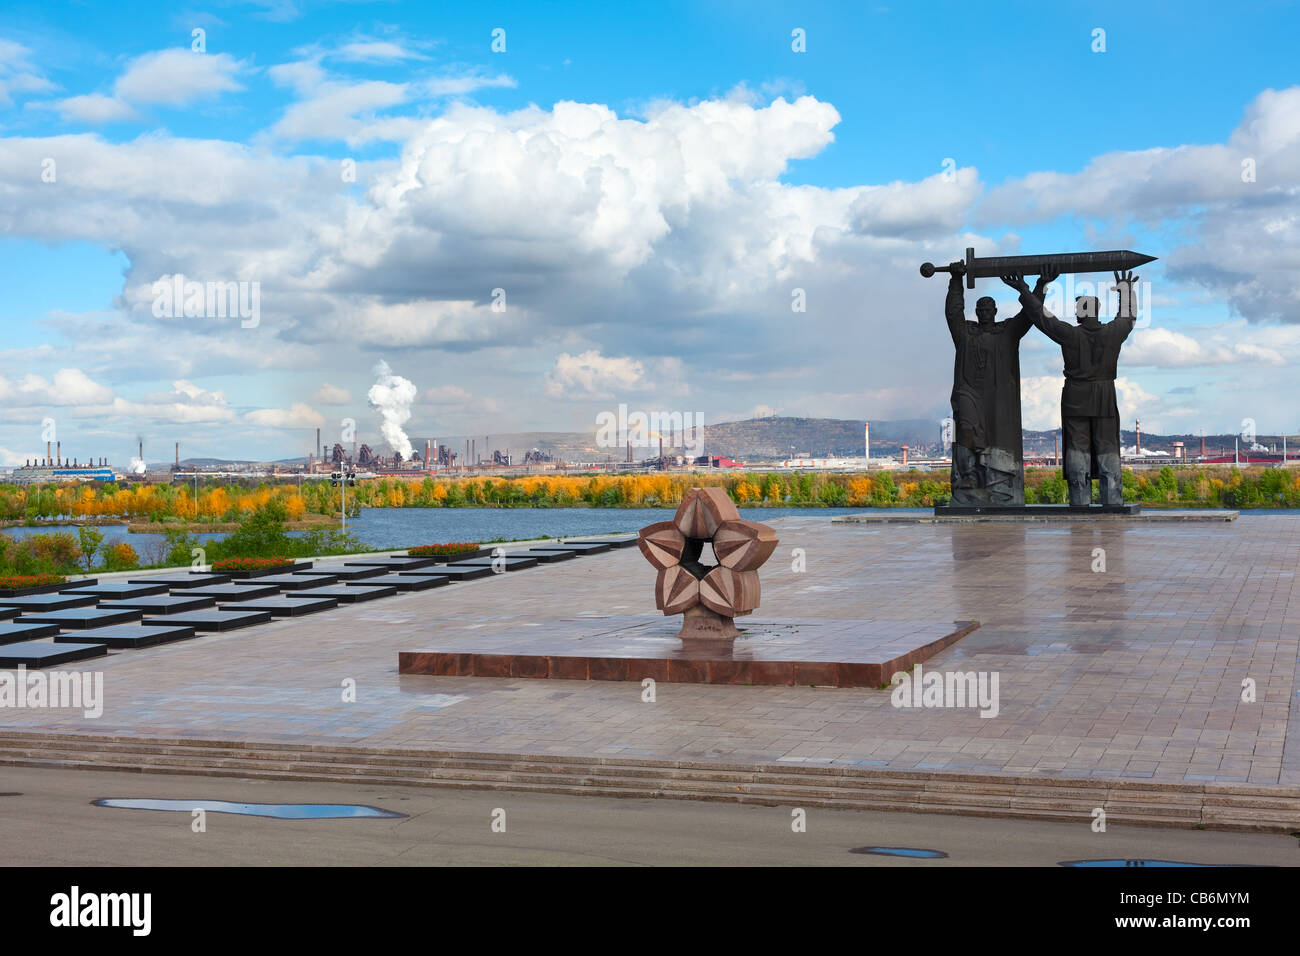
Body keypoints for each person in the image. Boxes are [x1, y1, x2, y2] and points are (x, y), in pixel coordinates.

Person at [1004, 269, 1139, 506]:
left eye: (1078, 309)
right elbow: (1128, 317)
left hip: (1076, 396)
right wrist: (1126, 290)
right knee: (1107, 447)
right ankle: (1112, 501)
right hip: (1104, 395)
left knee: (1077, 448)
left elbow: (1041, 317)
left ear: (1082, 312)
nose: (1076, 313)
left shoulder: (1070, 335)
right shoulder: (1112, 333)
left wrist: (1026, 289)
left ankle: (1080, 501)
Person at [944, 260, 1052, 506]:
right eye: (980, 310)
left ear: (994, 311)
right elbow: (953, 312)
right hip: (969, 392)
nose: (983, 314)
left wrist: (1040, 285)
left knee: (998, 440)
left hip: (998, 398)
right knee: (967, 431)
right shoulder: (964, 333)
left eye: (988, 309)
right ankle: (968, 481)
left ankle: (998, 487)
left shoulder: (1007, 331)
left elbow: (1029, 315)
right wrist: (956, 281)